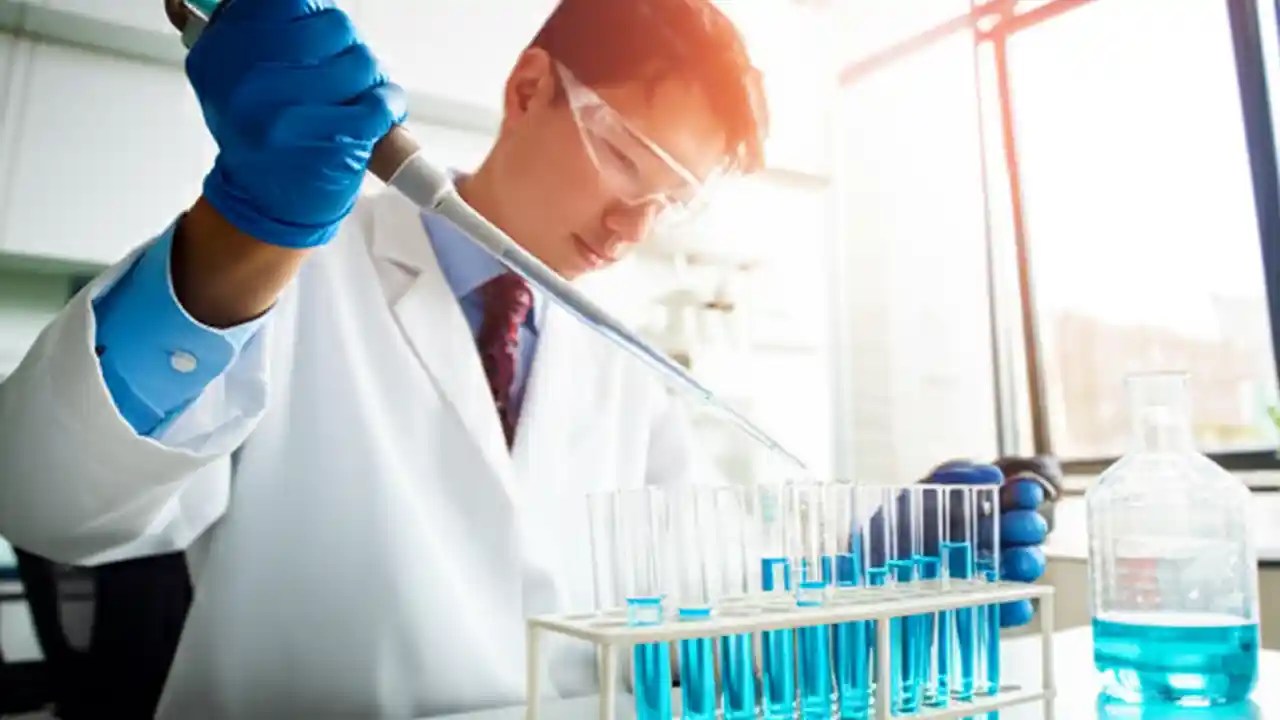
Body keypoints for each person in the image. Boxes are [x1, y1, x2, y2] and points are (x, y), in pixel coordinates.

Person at [0, 0, 1047, 716]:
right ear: (530, 86)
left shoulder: (626, 370)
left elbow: (681, 628)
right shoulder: (292, 270)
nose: (634, 224)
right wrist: (246, 235)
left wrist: (864, 583)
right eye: (630, 158)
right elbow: (47, 500)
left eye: (671, 201)